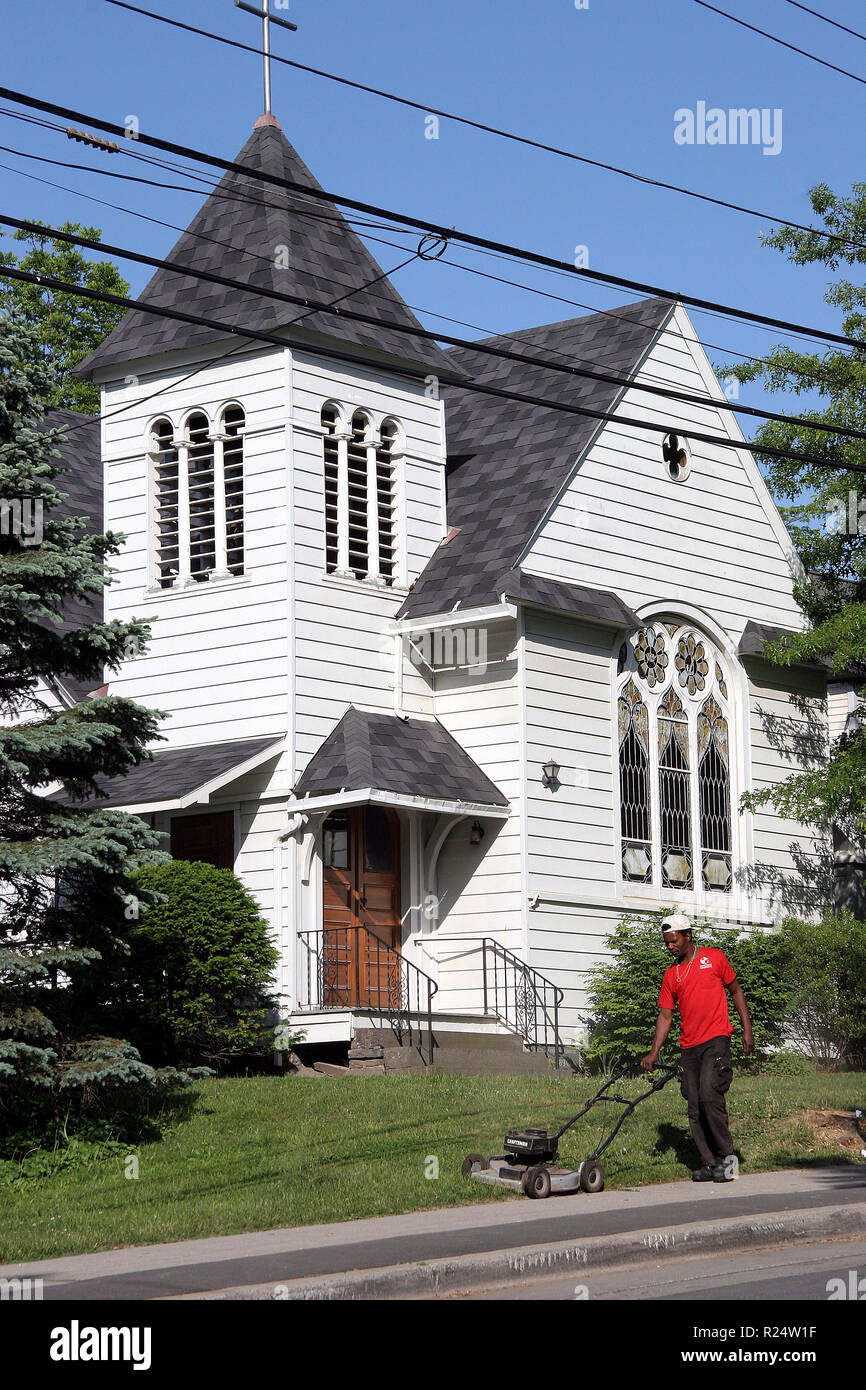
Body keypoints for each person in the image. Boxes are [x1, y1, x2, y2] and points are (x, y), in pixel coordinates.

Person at [640, 912, 754, 1182]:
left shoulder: (714, 958)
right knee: (694, 1106)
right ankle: (708, 1161)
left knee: (709, 1095)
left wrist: (747, 1029)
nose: (670, 946)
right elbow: (666, 1016)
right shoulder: (672, 975)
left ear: (688, 936)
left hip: (716, 1038)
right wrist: (654, 1050)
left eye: (674, 940)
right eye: (667, 942)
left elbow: (736, 990)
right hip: (689, 1046)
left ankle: (727, 1161)